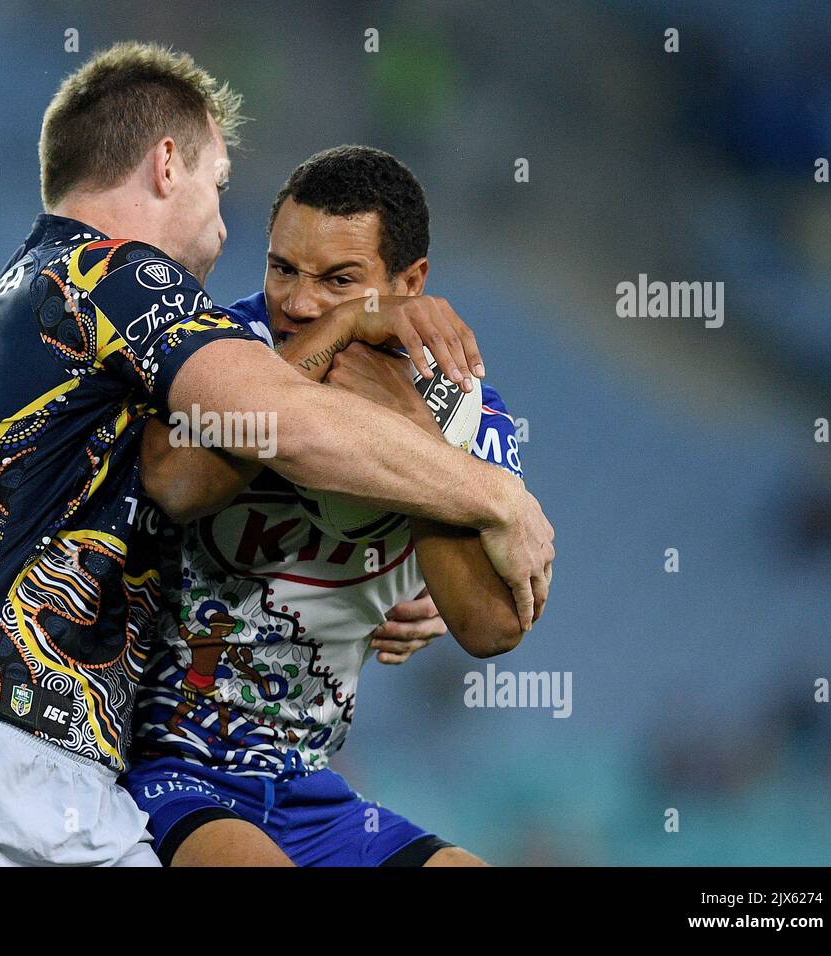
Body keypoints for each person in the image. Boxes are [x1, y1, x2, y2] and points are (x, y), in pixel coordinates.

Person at [0, 43, 552, 866]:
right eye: (220, 182)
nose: (224, 222)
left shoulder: (47, 287)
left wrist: (383, 570)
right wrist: (496, 497)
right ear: (168, 164)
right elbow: (274, 426)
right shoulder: (114, 275)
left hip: (57, 777)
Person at [125, 146, 532, 866]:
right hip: (172, 768)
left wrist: (409, 434)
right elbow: (177, 480)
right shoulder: (218, 350)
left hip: (308, 787)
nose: (300, 302)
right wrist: (338, 332)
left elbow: (491, 625)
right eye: (283, 268)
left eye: (340, 281)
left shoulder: (468, 415)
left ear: (409, 283)